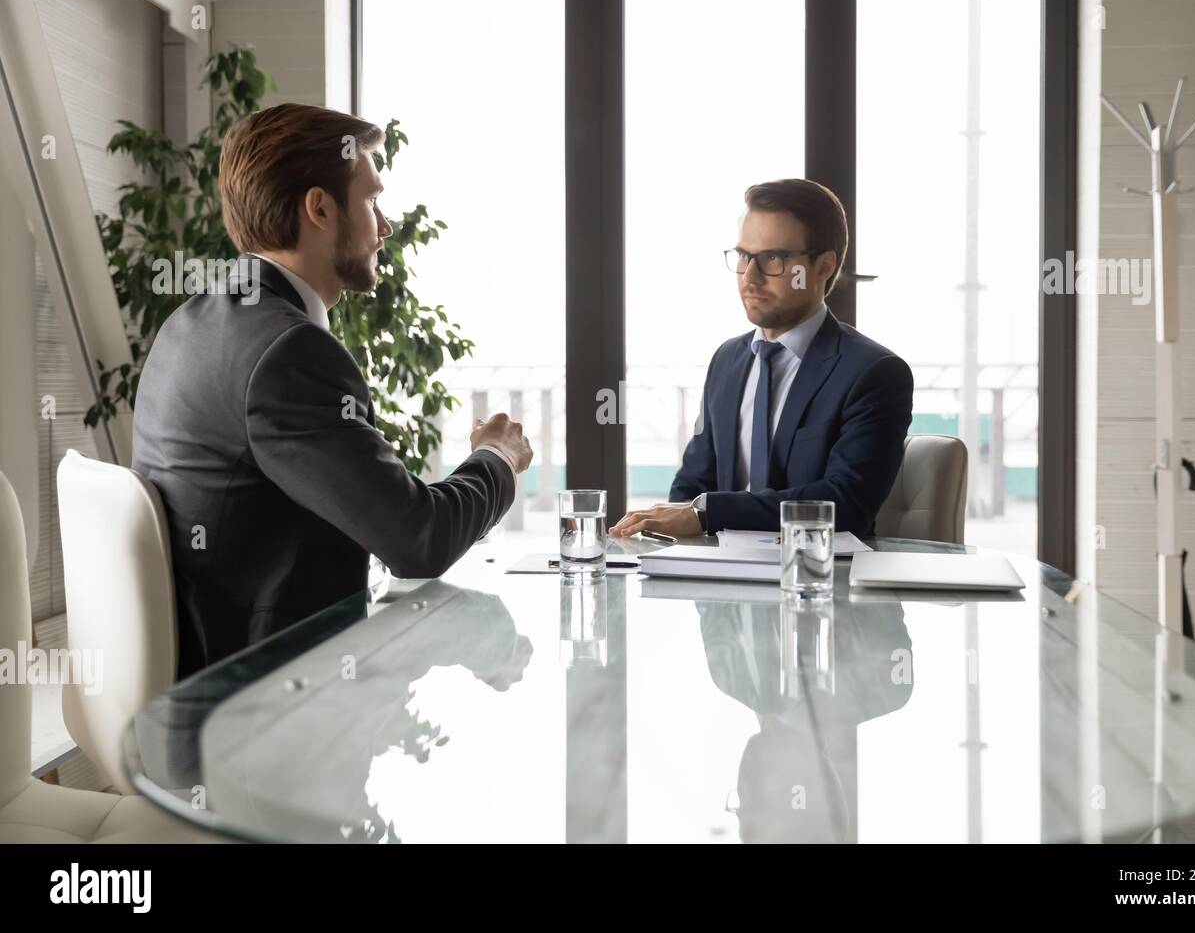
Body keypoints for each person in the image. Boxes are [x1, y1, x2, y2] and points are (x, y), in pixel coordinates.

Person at [132, 103, 532, 677]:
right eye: (372, 200)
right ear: (320, 208)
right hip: (270, 711)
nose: (386, 225)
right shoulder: (288, 353)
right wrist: (498, 457)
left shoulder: (191, 325)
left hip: (224, 683)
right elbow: (420, 542)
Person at [610, 178, 912, 541]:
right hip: (719, 579)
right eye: (743, 256)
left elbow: (845, 504)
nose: (750, 278)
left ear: (823, 266)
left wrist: (708, 514)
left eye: (773, 259)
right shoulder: (727, 360)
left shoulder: (873, 372)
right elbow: (692, 486)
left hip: (817, 578)